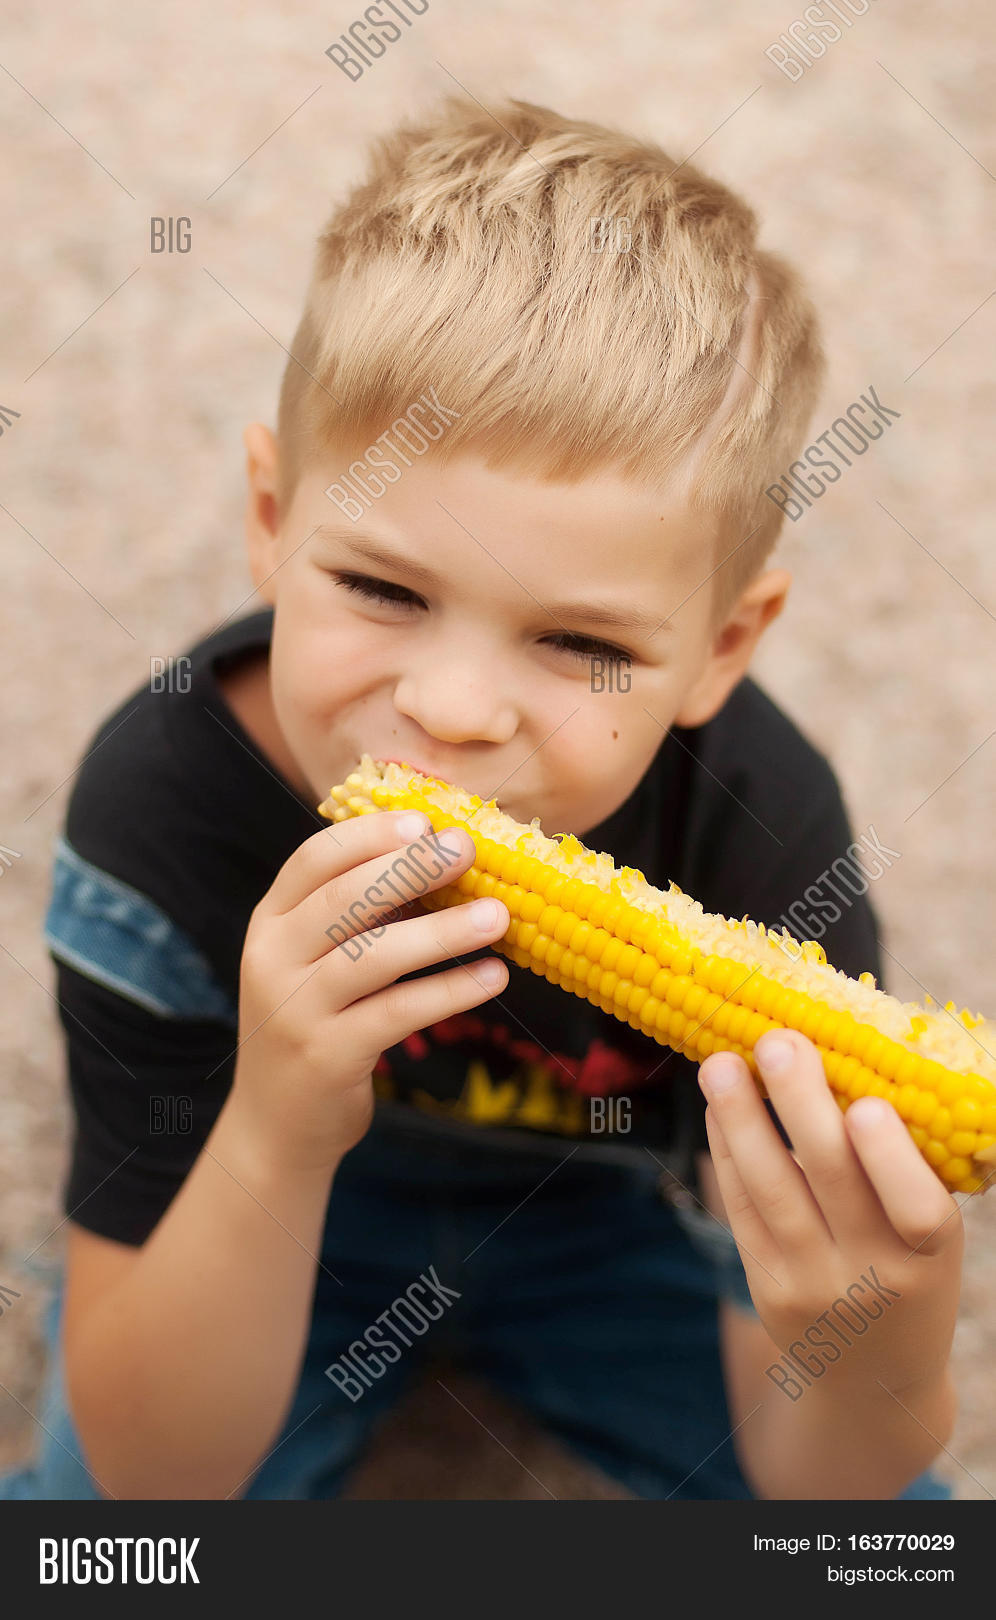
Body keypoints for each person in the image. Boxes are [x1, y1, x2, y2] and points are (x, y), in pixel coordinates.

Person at [2, 95, 958, 1500]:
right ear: (273, 524)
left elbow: (829, 1493)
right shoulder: (166, 811)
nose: (452, 709)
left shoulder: (755, 828)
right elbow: (155, 1487)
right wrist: (273, 1131)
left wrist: (870, 1343)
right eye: (383, 589)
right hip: (271, 1200)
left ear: (723, 647)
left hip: (605, 1220)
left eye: (584, 644)